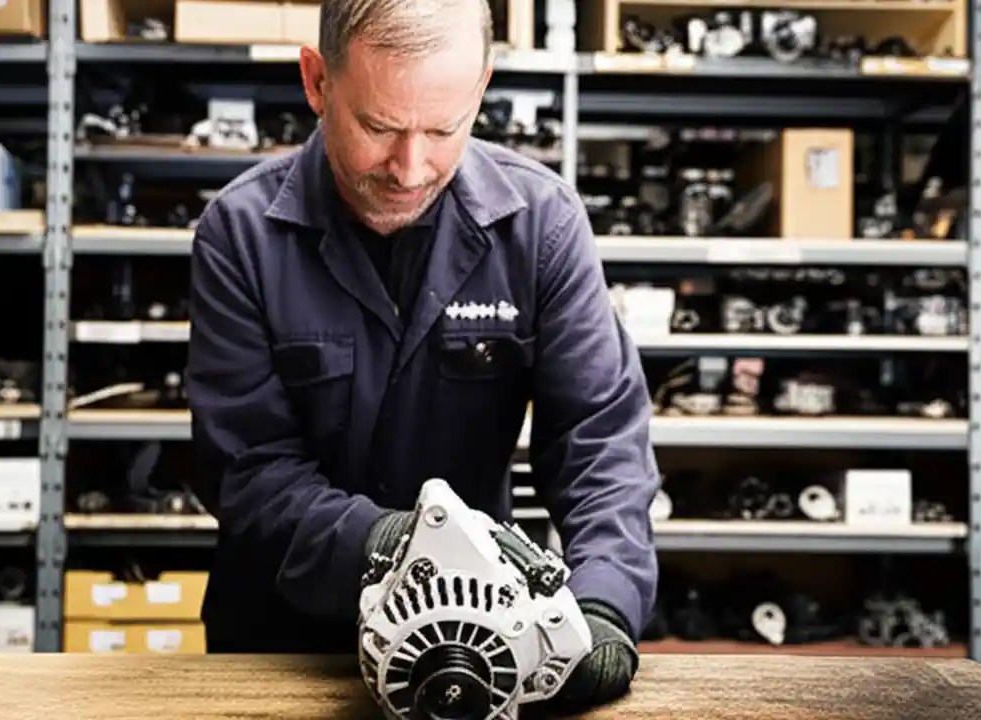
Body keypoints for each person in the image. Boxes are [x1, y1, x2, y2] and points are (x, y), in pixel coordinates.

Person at [185, 0, 660, 710]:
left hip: (486, 644)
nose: (409, 167)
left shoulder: (542, 228)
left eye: (443, 129)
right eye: (378, 127)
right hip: (283, 650)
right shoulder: (242, 234)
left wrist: (602, 611)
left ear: (481, 88)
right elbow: (246, 472)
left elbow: (601, 444)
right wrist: (395, 545)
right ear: (317, 82)